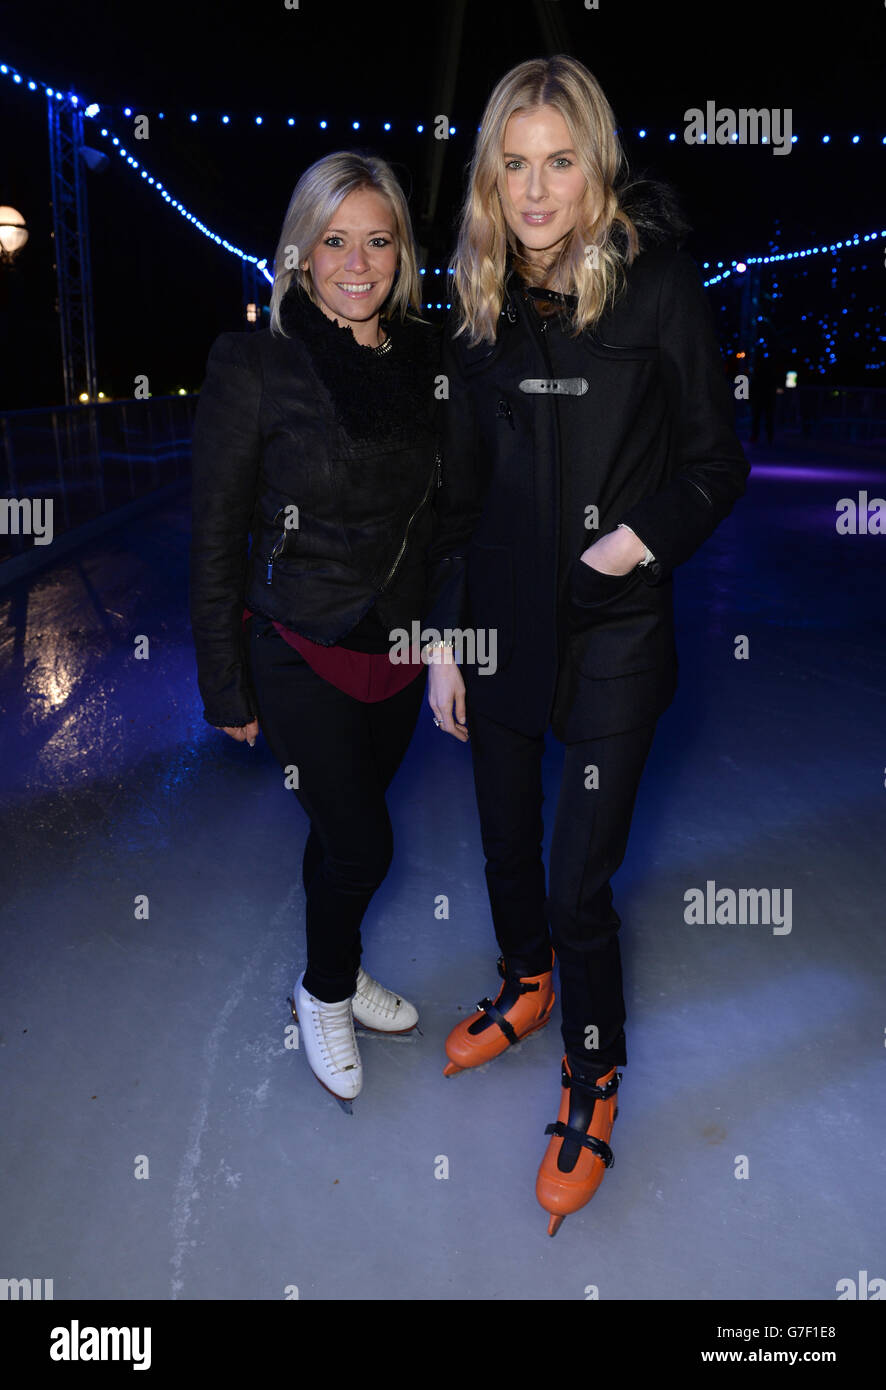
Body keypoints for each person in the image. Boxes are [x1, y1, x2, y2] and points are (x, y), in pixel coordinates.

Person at [426, 56, 750, 1233]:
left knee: (576, 883)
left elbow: (719, 463)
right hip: (502, 620)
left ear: (596, 165)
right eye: (513, 163)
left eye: (559, 160)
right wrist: (447, 638)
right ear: (488, 179)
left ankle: (594, 1071)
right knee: (505, 846)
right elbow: (459, 502)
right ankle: (522, 985)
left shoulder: (658, 286)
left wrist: (632, 545)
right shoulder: (473, 309)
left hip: (615, 630)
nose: (535, 187)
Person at [189, 151, 459, 1112]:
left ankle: (332, 963)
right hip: (295, 645)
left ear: (402, 253)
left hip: (390, 650)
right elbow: (217, 532)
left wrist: (438, 645)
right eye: (334, 240)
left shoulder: (429, 359)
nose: (357, 263)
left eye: (378, 240)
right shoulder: (256, 361)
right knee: (363, 846)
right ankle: (324, 994)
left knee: (340, 837)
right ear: (299, 251)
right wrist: (225, 687)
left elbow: (436, 519)